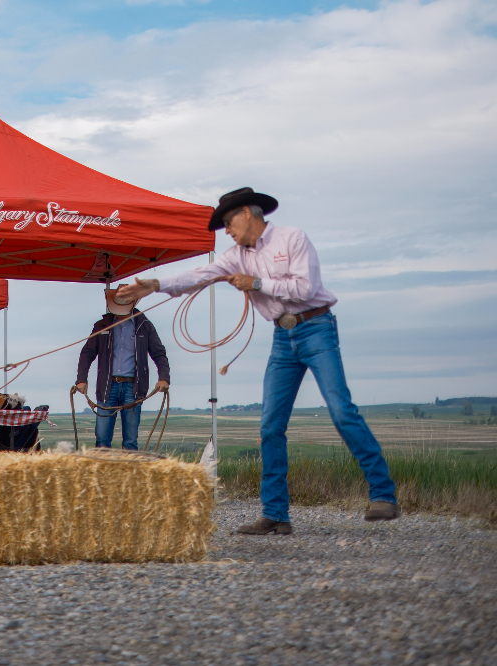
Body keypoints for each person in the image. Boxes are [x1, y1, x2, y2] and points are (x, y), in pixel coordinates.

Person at [118, 187, 400, 533]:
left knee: (341, 410)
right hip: (283, 336)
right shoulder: (235, 256)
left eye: (228, 222)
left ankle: (383, 495)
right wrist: (155, 284)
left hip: (317, 328)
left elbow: (306, 288)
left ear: (247, 214)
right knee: (270, 425)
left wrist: (256, 282)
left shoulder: (292, 238)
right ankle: (276, 515)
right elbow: (198, 276)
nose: (227, 230)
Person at [76, 287, 171, 450]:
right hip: (107, 387)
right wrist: (81, 379)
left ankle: (130, 467)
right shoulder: (102, 326)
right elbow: (87, 352)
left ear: (133, 304)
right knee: (102, 439)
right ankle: (102, 466)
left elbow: (159, 353)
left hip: (133, 388)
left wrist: (164, 378)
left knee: (130, 441)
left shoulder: (145, 326)